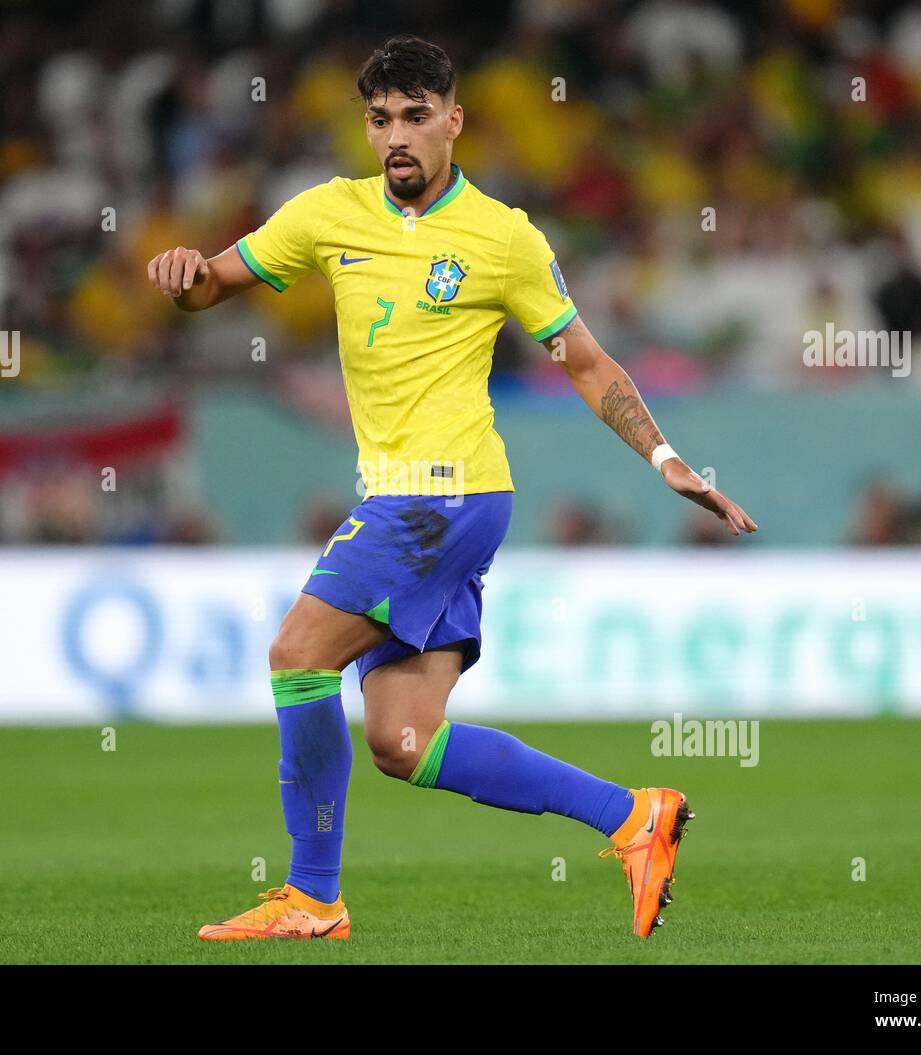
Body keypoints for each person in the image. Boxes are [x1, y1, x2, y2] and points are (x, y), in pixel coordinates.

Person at [147, 36, 757, 941]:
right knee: (401, 740)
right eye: (380, 118)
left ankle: (313, 895)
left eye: (415, 116)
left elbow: (585, 363)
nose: (396, 135)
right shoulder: (328, 213)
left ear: (453, 120)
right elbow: (214, 285)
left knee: (296, 656)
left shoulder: (503, 236)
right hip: (405, 499)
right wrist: (182, 276)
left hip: (446, 496)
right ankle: (635, 817)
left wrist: (667, 458)